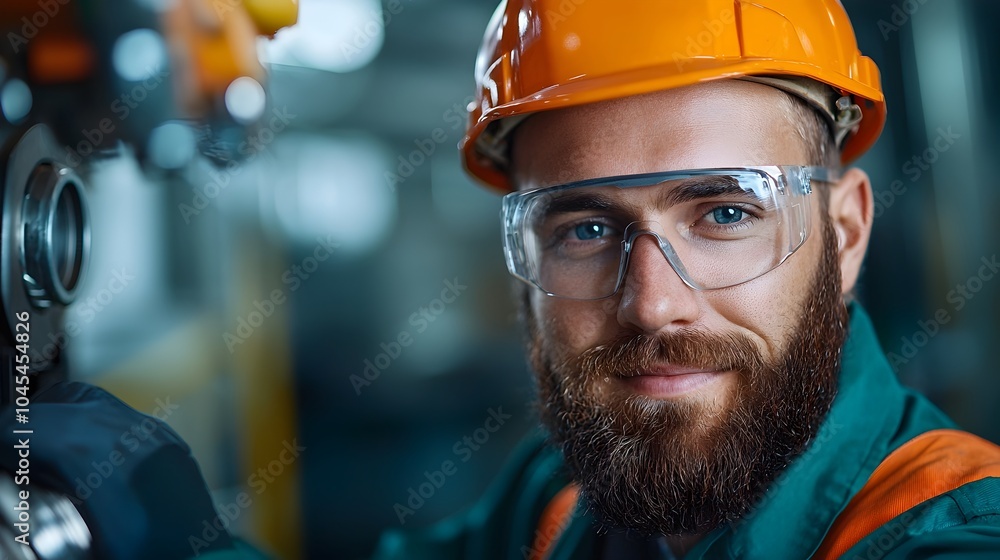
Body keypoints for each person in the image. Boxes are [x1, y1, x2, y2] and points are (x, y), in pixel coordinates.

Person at [373, 0, 1000, 558]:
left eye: (726, 214)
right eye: (586, 230)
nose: (652, 305)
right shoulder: (558, 498)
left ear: (846, 233)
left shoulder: (963, 530)